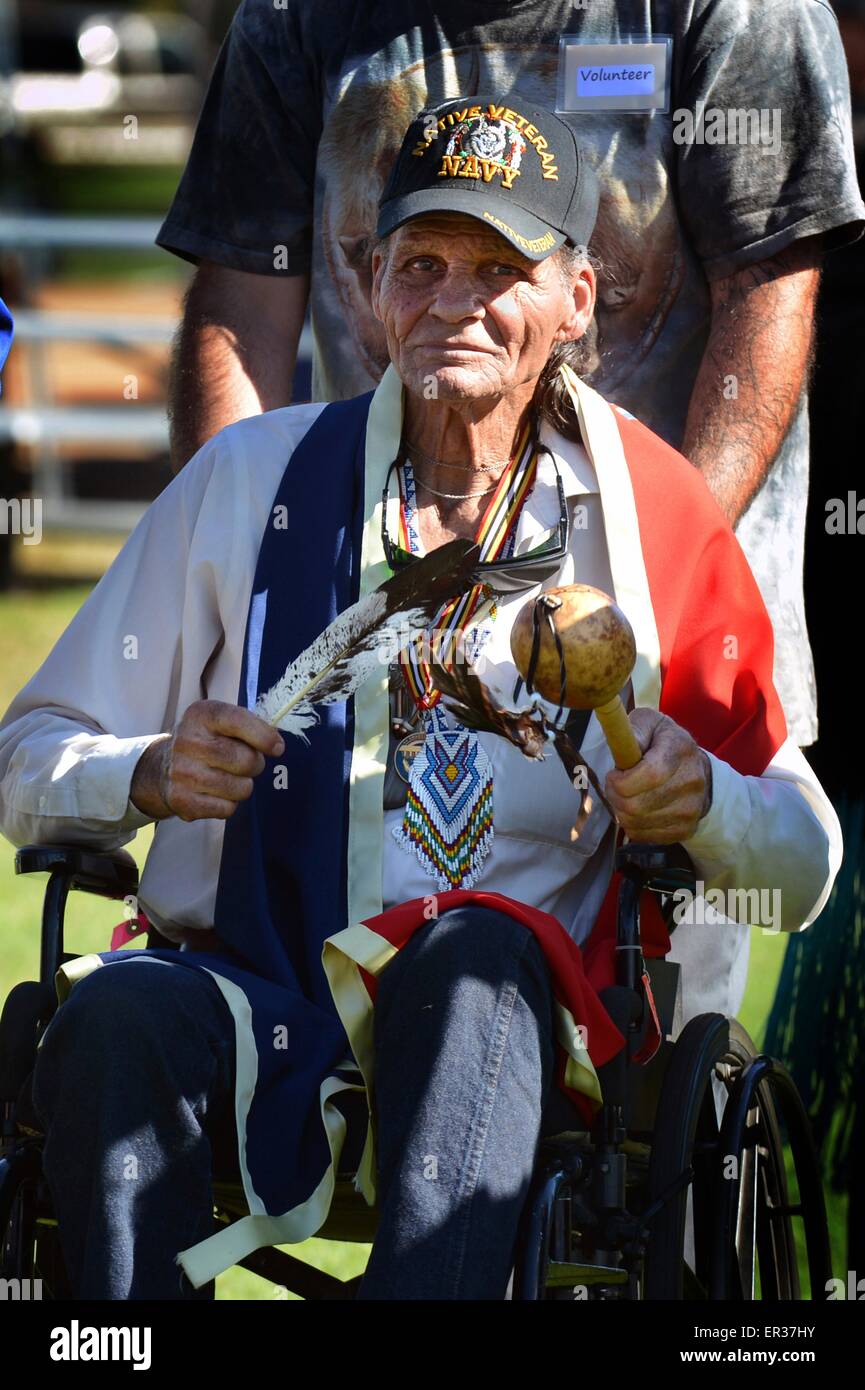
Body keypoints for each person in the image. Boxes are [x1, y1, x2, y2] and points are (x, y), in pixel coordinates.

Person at [0, 99, 840, 1300]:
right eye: (423, 263)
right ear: (368, 282)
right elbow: (26, 754)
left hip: (522, 1047)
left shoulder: (652, 519)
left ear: (577, 296)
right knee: (112, 1023)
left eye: (501, 267)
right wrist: (138, 772)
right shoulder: (252, 484)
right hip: (260, 1006)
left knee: (470, 958)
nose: (456, 301)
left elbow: (803, 858)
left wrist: (699, 796)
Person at [157, 0, 865, 759]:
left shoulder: (739, 11)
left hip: (671, 643)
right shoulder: (295, 17)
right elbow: (242, 309)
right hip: (371, 629)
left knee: (718, 853)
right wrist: (244, 579)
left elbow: (763, 307)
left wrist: (653, 579)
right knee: (357, 871)